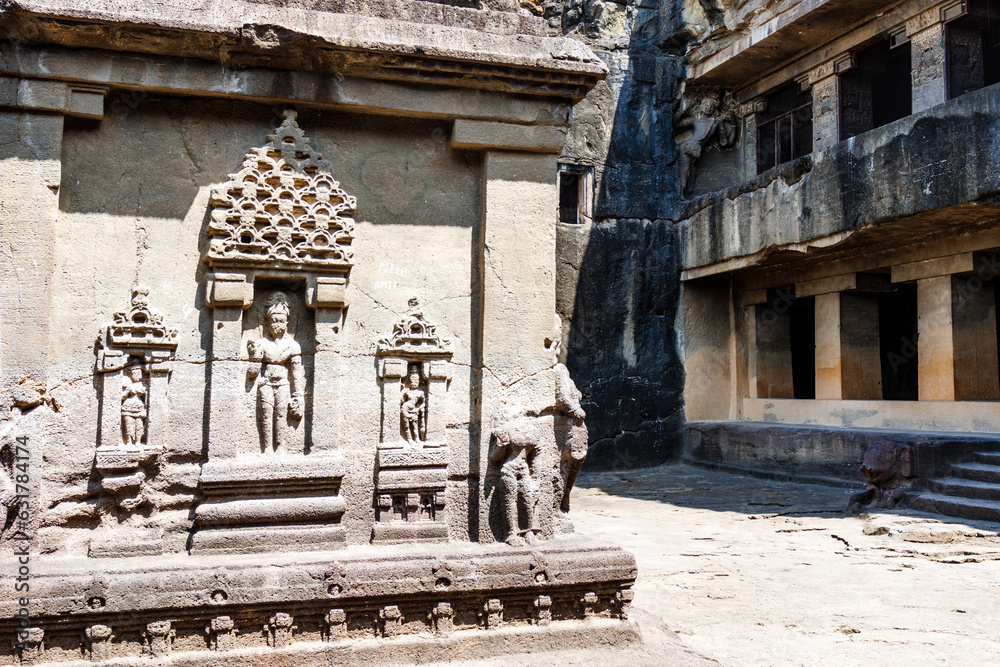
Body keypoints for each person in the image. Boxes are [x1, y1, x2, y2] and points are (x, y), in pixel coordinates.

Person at [248, 292, 304, 451]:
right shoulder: (261, 344)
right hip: (265, 384)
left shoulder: (293, 346)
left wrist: (299, 396)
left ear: (287, 322)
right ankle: (266, 449)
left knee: (281, 415)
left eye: (280, 321)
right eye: (273, 321)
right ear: (267, 322)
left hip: (283, 385)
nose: (277, 324)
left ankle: (280, 448)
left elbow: (296, 373)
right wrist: (255, 356)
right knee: (266, 416)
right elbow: (252, 373)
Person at [121, 365, 147, 448]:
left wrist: (145, 410)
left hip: (139, 408)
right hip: (128, 407)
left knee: (139, 426)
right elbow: (122, 397)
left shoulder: (144, 386)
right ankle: (129, 442)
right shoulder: (129, 385)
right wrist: (127, 391)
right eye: (134, 374)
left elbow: (146, 400)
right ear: (131, 375)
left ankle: (138, 442)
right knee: (129, 425)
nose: (136, 376)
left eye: (138, 374)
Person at [400, 365, 426, 444]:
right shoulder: (407, 391)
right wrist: (402, 393)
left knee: (415, 425)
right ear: (409, 382)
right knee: (406, 425)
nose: (414, 384)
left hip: (414, 410)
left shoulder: (420, 392)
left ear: (418, 382)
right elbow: (401, 401)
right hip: (405, 409)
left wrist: (418, 409)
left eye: (416, 382)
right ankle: (409, 439)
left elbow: (424, 403)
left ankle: (417, 439)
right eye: (412, 382)